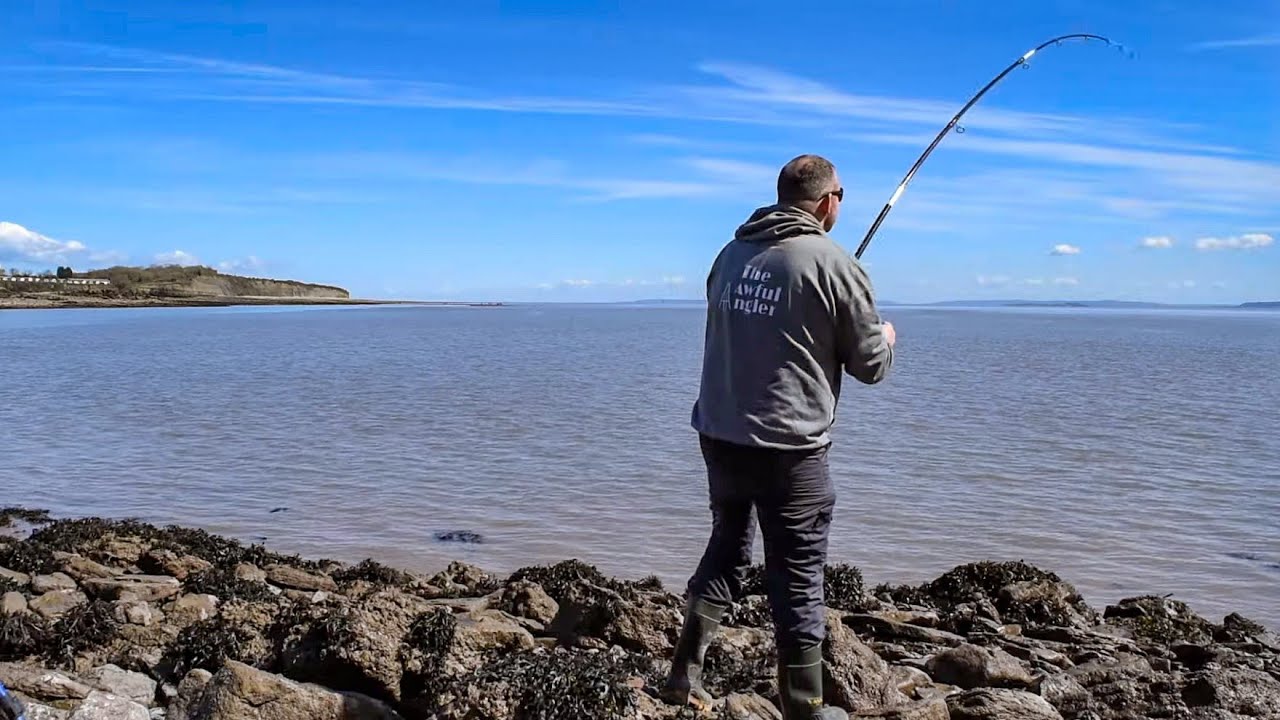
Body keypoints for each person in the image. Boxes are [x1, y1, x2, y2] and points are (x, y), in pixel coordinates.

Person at [661, 154, 896, 719]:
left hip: (718, 434)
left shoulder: (729, 253)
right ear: (826, 201)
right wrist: (886, 335)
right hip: (790, 451)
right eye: (842, 192)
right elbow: (871, 367)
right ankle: (806, 709)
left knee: (728, 545)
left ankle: (682, 677)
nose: (841, 201)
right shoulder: (836, 264)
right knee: (797, 576)